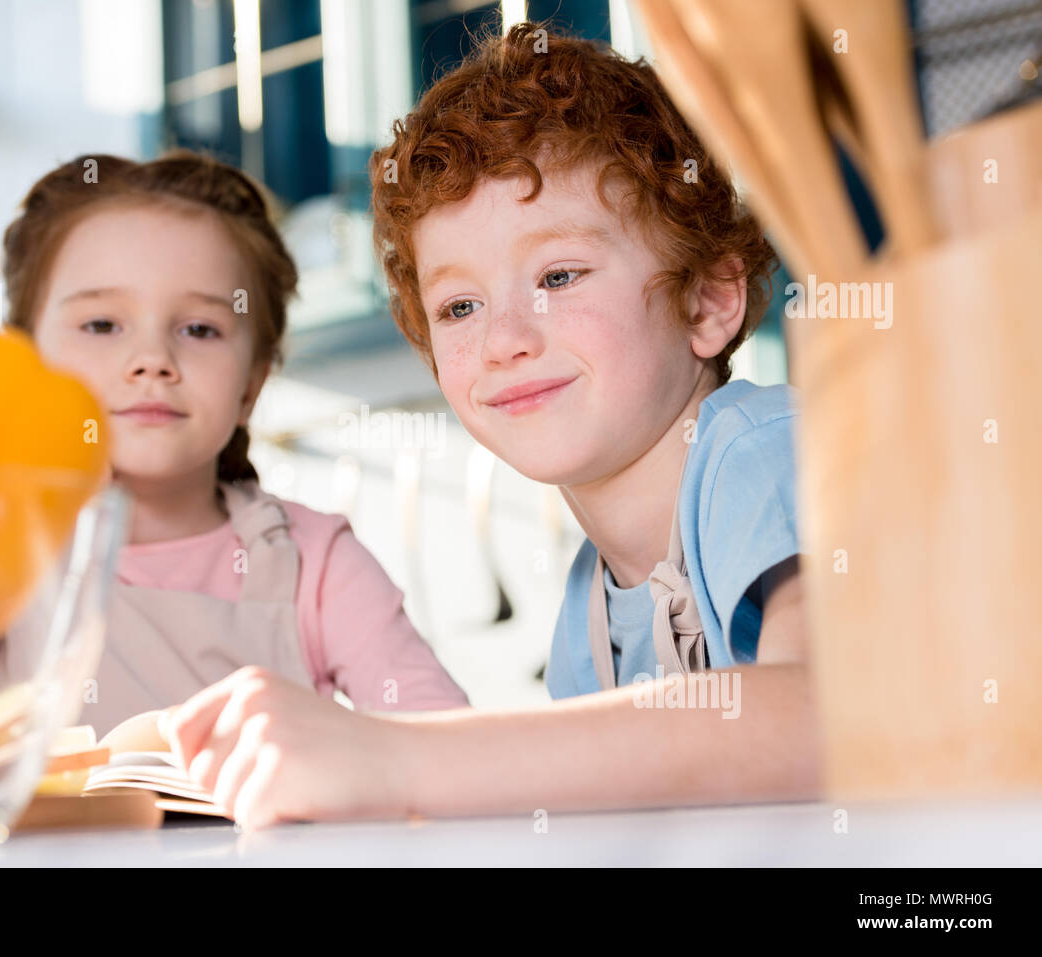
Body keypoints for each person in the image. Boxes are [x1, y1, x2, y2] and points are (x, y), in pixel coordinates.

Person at [161, 24, 820, 828]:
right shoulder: (590, 601)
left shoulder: (759, 449)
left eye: (558, 275)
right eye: (460, 306)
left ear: (709, 301)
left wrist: (395, 757)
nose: (504, 338)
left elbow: (820, 717)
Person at [0, 150, 468, 732]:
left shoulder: (312, 561)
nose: (152, 361)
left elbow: (445, 743)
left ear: (252, 384)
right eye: (102, 325)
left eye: (199, 329)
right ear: (21, 363)